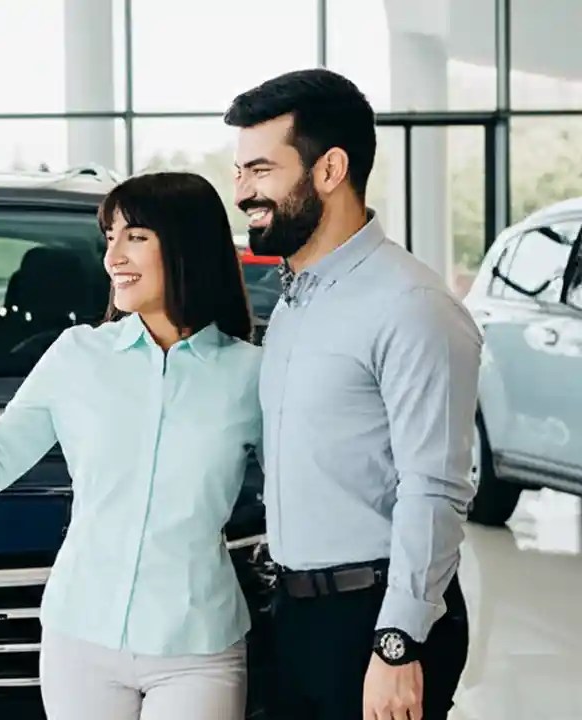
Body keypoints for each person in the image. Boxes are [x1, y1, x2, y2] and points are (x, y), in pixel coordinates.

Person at [0, 172, 262, 719]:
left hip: (198, 646)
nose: (113, 255)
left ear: (188, 245)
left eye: (135, 237)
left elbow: (299, 497)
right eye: (109, 238)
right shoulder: (78, 355)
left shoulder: (251, 374)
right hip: (81, 641)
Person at [225, 68, 480, 719]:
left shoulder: (411, 306)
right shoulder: (293, 304)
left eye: (260, 171)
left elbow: (436, 488)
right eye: (239, 173)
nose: (243, 192)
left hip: (373, 620)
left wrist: (397, 644)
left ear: (330, 169)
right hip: (293, 614)